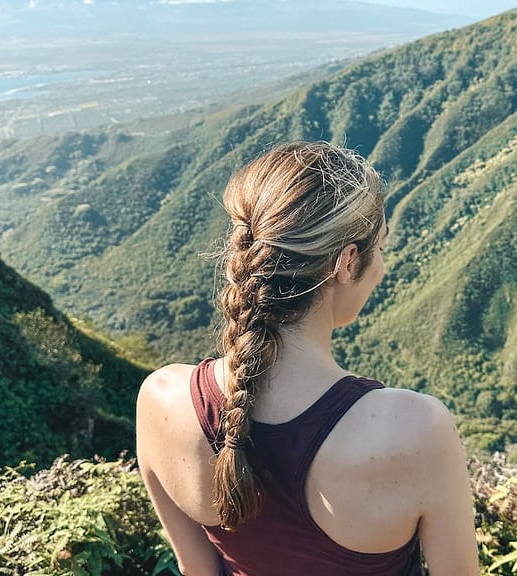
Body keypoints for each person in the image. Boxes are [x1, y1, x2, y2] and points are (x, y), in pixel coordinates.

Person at [136, 141, 480, 576]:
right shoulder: (415, 431)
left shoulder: (160, 400)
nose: (384, 267)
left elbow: (198, 570)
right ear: (347, 262)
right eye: (383, 249)